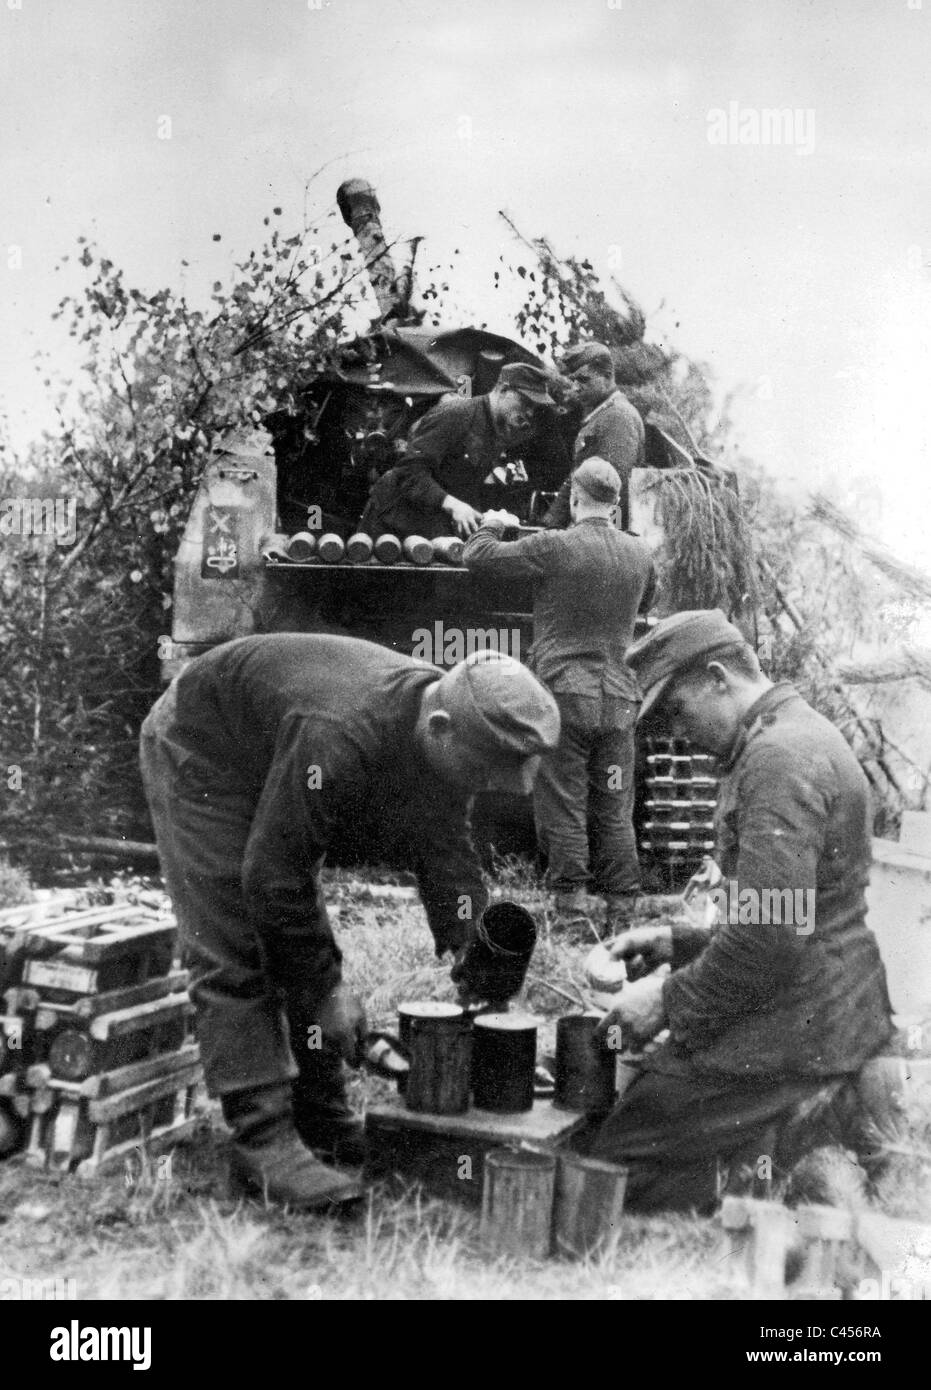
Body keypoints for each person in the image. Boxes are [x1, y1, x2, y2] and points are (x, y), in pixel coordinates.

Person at [139, 636, 559, 1209]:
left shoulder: (443, 719)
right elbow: (274, 878)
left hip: (271, 749)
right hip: (204, 752)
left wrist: (474, 953)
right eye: (484, 772)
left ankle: (323, 1122)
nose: (492, 787)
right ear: (440, 729)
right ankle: (261, 1141)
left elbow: (444, 848)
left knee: (291, 928)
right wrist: (328, 990)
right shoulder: (337, 733)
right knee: (237, 939)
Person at [582, 609, 893, 1213]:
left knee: (613, 1170)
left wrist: (666, 1000)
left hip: (802, 1020)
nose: (675, 732)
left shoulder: (778, 758)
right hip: (823, 1001)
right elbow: (796, 913)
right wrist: (678, 941)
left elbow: (772, 936)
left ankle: (786, 1157)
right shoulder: (789, 735)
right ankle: (793, 1142)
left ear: (718, 678)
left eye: (676, 709)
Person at [462, 458, 654, 932]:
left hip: (565, 699)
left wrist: (493, 524)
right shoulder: (640, 555)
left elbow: (478, 556)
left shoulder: (556, 546)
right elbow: (645, 603)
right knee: (613, 808)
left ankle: (570, 915)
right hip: (620, 703)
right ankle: (622, 916)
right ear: (614, 503)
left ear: (574, 499)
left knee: (565, 803)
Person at [359, 363, 556, 541]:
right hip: (392, 522)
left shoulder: (495, 427)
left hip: (428, 527)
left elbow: (463, 482)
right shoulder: (457, 414)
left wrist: (482, 517)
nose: (530, 412)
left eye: (534, 406)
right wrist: (454, 505)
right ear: (503, 390)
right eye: (525, 402)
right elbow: (408, 471)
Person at [544, 342, 645, 532]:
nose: (575, 388)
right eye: (573, 380)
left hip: (605, 531)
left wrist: (601, 536)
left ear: (607, 377)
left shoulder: (618, 417)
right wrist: (551, 522)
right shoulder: (601, 415)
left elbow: (610, 487)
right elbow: (578, 475)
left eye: (583, 380)